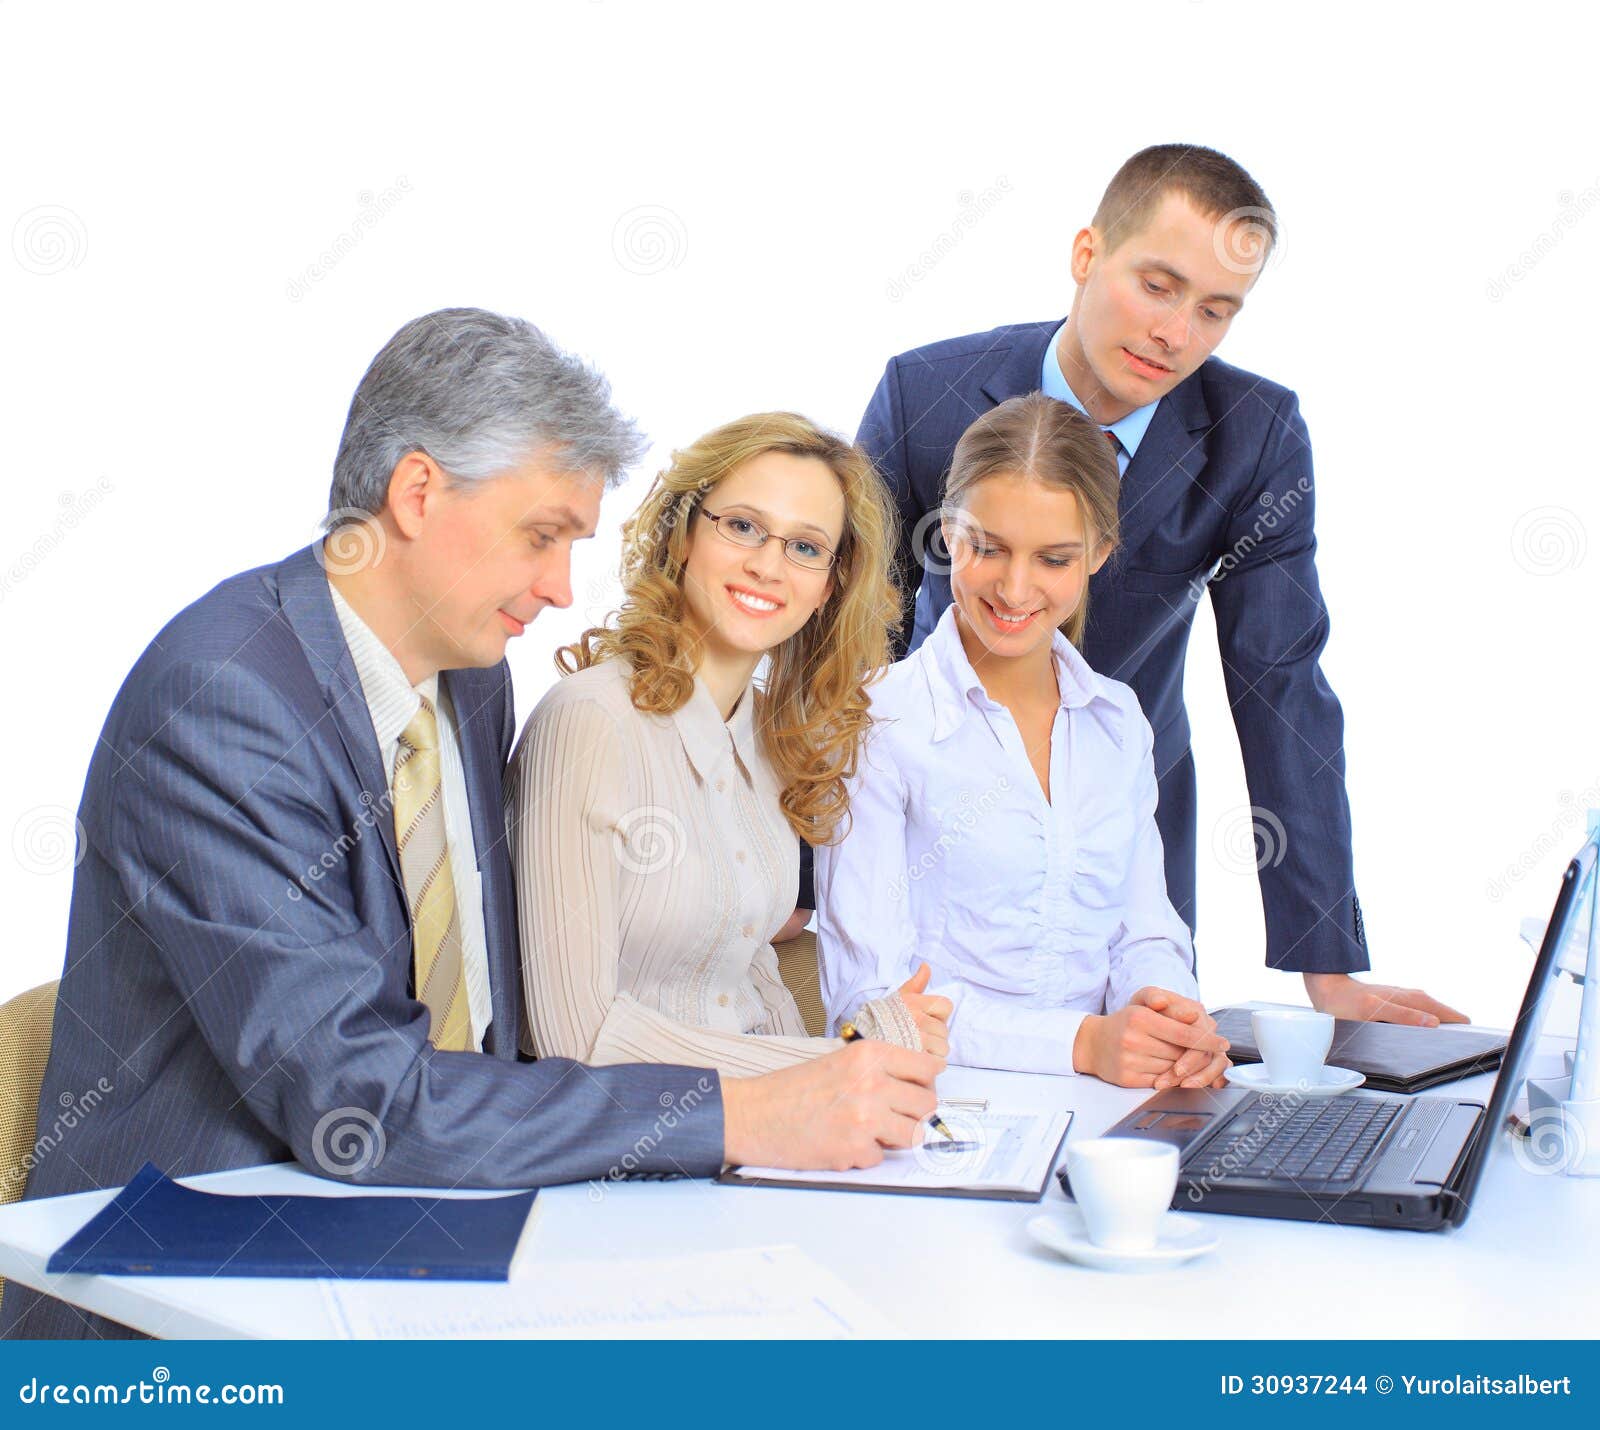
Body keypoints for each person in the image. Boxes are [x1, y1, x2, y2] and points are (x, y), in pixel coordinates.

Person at [0, 310, 942, 1341]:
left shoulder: (473, 678)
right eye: (541, 536)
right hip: (196, 1270)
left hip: (449, 1216)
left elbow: (489, 1022)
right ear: (415, 493)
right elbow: (364, 1095)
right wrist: (745, 1112)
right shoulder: (222, 703)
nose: (559, 587)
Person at [827, 143, 1466, 1035]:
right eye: (1159, 287)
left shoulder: (1255, 434)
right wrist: (803, 869)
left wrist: (1329, 967)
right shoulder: (925, 393)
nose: (1177, 335)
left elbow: (1280, 679)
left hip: (1122, 833)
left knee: (1147, 1078)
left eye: (1216, 311)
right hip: (938, 820)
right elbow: (851, 630)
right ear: (1087, 255)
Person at [507, 413, 953, 1078]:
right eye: (742, 526)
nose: (768, 565)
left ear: (830, 585)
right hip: (619, 1153)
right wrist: (837, 1062)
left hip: (752, 1144)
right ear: (684, 534)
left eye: (806, 547)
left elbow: (753, 986)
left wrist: (851, 1071)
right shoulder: (587, 722)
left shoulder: (775, 737)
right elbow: (576, 1041)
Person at [816, 395, 1231, 1086]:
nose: (1015, 588)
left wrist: (1169, 1019)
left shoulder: (1119, 722)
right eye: (989, 547)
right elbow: (869, 1003)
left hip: (1116, 1098)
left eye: (1053, 558)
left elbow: (1145, 932)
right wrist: (1083, 1044)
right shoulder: (878, 721)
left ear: (1098, 553)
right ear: (949, 534)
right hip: (938, 1105)